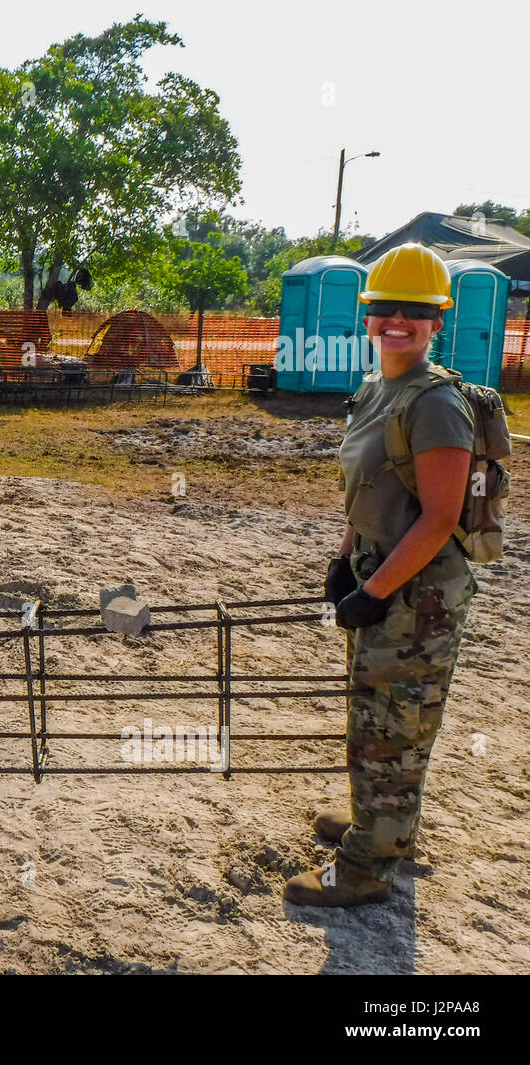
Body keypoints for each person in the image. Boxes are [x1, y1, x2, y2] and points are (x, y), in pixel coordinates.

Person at [285, 243, 476, 907]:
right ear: (367, 317)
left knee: (391, 725)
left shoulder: (436, 405)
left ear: (437, 322)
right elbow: (366, 494)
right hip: (382, 573)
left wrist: (376, 591)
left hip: (417, 593)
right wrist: (344, 559)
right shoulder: (375, 391)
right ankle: (384, 828)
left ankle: (368, 865)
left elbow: (441, 518)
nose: (397, 320)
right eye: (384, 309)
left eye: (414, 312)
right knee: (375, 713)